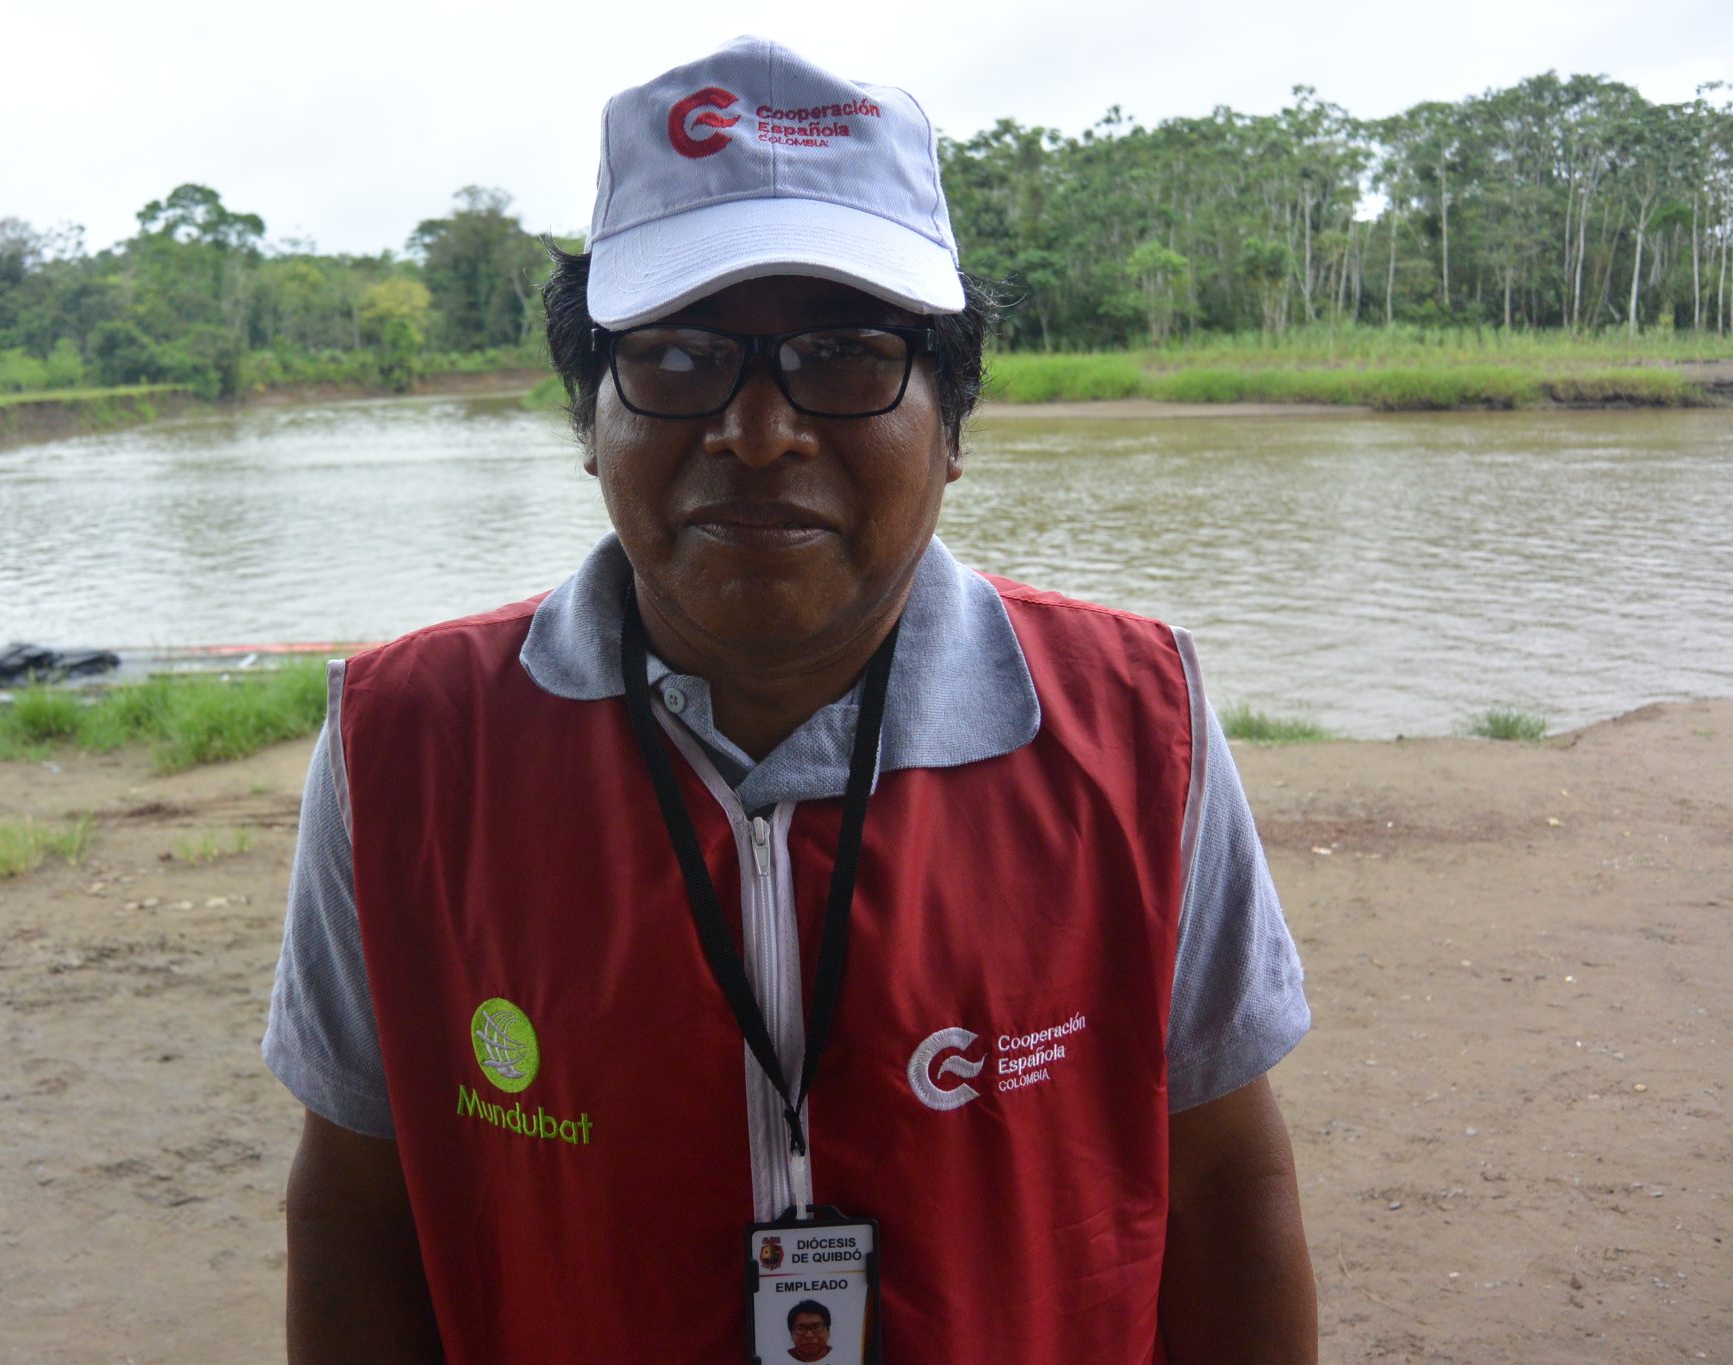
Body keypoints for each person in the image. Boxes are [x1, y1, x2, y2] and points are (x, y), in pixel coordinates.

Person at [265, 35, 1316, 1364]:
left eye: (842, 352)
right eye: (682, 353)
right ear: (591, 419)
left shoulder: (1133, 722)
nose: (758, 432)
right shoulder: (405, 746)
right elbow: (359, 1210)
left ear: (952, 419)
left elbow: (1224, 1179)